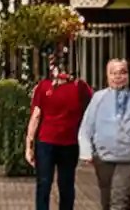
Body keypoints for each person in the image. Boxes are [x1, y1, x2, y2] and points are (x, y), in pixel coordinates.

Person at [77, 59, 130, 210]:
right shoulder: (98, 98)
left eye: (122, 72)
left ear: (128, 75)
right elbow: (86, 127)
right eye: (113, 73)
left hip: (126, 157)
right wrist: (86, 151)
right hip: (102, 158)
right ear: (107, 76)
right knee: (107, 200)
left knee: (120, 200)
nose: (118, 76)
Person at [26, 53, 92, 210]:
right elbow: (90, 113)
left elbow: (36, 116)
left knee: (44, 183)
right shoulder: (80, 87)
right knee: (66, 184)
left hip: (47, 142)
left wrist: (29, 145)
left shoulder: (44, 86)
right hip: (69, 142)